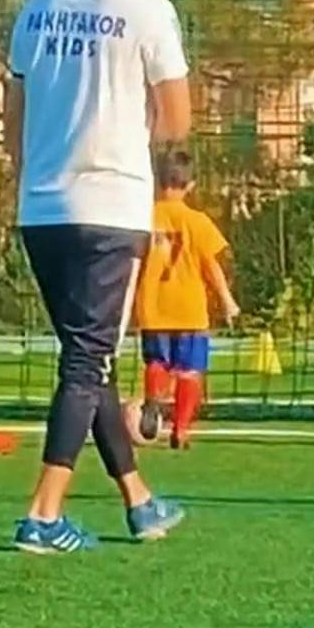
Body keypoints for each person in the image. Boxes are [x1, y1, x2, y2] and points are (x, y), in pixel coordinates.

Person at [4, 0, 192, 554]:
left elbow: (14, 122)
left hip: (42, 207)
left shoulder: (36, 10)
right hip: (110, 209)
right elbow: (178, 121)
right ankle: (43, 514)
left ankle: (139, 501)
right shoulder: (149, 13)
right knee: (89, 360)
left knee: (92, 360)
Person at [133, 148, 237, 449]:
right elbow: (211, 265)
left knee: (157, 362)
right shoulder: (197, 221)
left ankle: (153, 400)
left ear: (158, 182)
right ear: (190, 185)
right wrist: (227, 300)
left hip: (154, 308)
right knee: (190, 371)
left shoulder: (143, 218)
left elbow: (133, 262)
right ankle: (180, 430)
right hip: (190, 310)